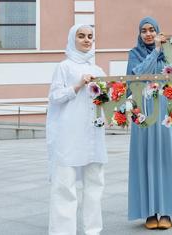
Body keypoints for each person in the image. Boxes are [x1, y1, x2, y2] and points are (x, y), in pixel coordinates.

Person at [47, 24, 107, 235]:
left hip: (92, 134)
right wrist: (78, 85)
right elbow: (54, 97)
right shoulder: (64, 67)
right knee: (65, 184)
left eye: (90, 36)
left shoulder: (98, 70)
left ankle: (93, 230)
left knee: (95, 184)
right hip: (68, 134)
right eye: (81, 36)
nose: (86, 40)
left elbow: (104, 101)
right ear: (73, 39)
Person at [126, 17, 172, 230]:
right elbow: (138, 74)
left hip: (164, 110)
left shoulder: (168, 53)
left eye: (152, 30)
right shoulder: (134, 54)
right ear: (139, 34)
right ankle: (149, 211)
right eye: (144, 30)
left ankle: (166, 210)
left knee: (165, 156)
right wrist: (156, 50)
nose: (148, 34)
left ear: (158, 31)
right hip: (143, 110)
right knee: (145, 157)